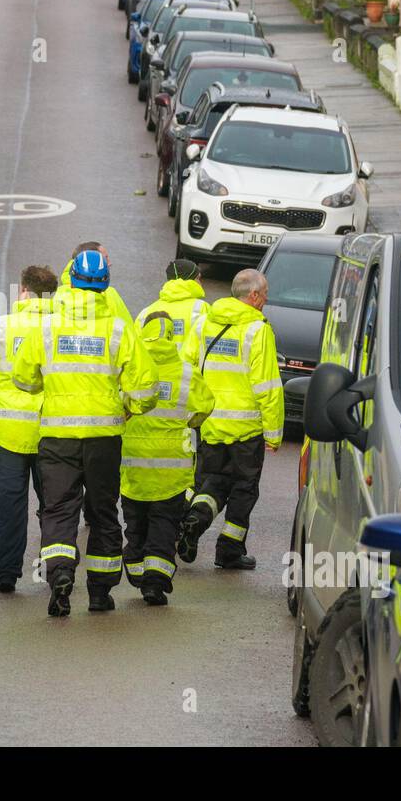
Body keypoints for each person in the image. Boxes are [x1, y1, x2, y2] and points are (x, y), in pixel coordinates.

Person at [13, 250, 158, 617]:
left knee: (58, 509)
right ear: (105, 284)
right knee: (103, 512)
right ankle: (99, 594)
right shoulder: (119, 329)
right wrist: (130, 407)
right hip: (103, 437)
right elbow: (145, 390)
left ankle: (60, 577)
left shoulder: (47, 326)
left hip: (57, 436)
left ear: (71, 281)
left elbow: (23, 379)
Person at [179, 269, 283, 570]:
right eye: (263, 295)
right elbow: (268, 388)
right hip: (245, 428)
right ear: (252, 296)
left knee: (215, 481)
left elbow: (188, 370)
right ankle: (229, 551)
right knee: (244, 489)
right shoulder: (258, 330)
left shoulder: (203, 324)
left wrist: (191, 415)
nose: (265, 300)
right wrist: (273, 434)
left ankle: (194, 523)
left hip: (210, 424)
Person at [0, 265, 57, 593]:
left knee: (10, 504)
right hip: (52, 432)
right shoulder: (63, 328)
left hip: (9, 434)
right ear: (54, 295)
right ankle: (56, 570)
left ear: (22, 292)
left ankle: (7, 573)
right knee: (55, 506)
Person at [120, 312, 214, 605]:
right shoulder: (186, 372)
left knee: (135, 522)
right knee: (164, 522)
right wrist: (188, 421)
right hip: (171, 467)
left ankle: (136, 569)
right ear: (172, 336)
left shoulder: (129, 368)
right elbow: (205, 406)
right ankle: (155, 582)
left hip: (132, 463)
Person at [136, 259, 210, 350]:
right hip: (186, 364)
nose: (201, 283)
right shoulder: (202, 308)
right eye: (198, 278)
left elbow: (136, 348)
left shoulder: (146, 312)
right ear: (189, 280)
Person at [59, 241, 134, 325]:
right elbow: (126, 326)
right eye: (105, 259)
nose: (109, 263)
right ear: (91, 261)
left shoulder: (59, 292)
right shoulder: (110, 293)